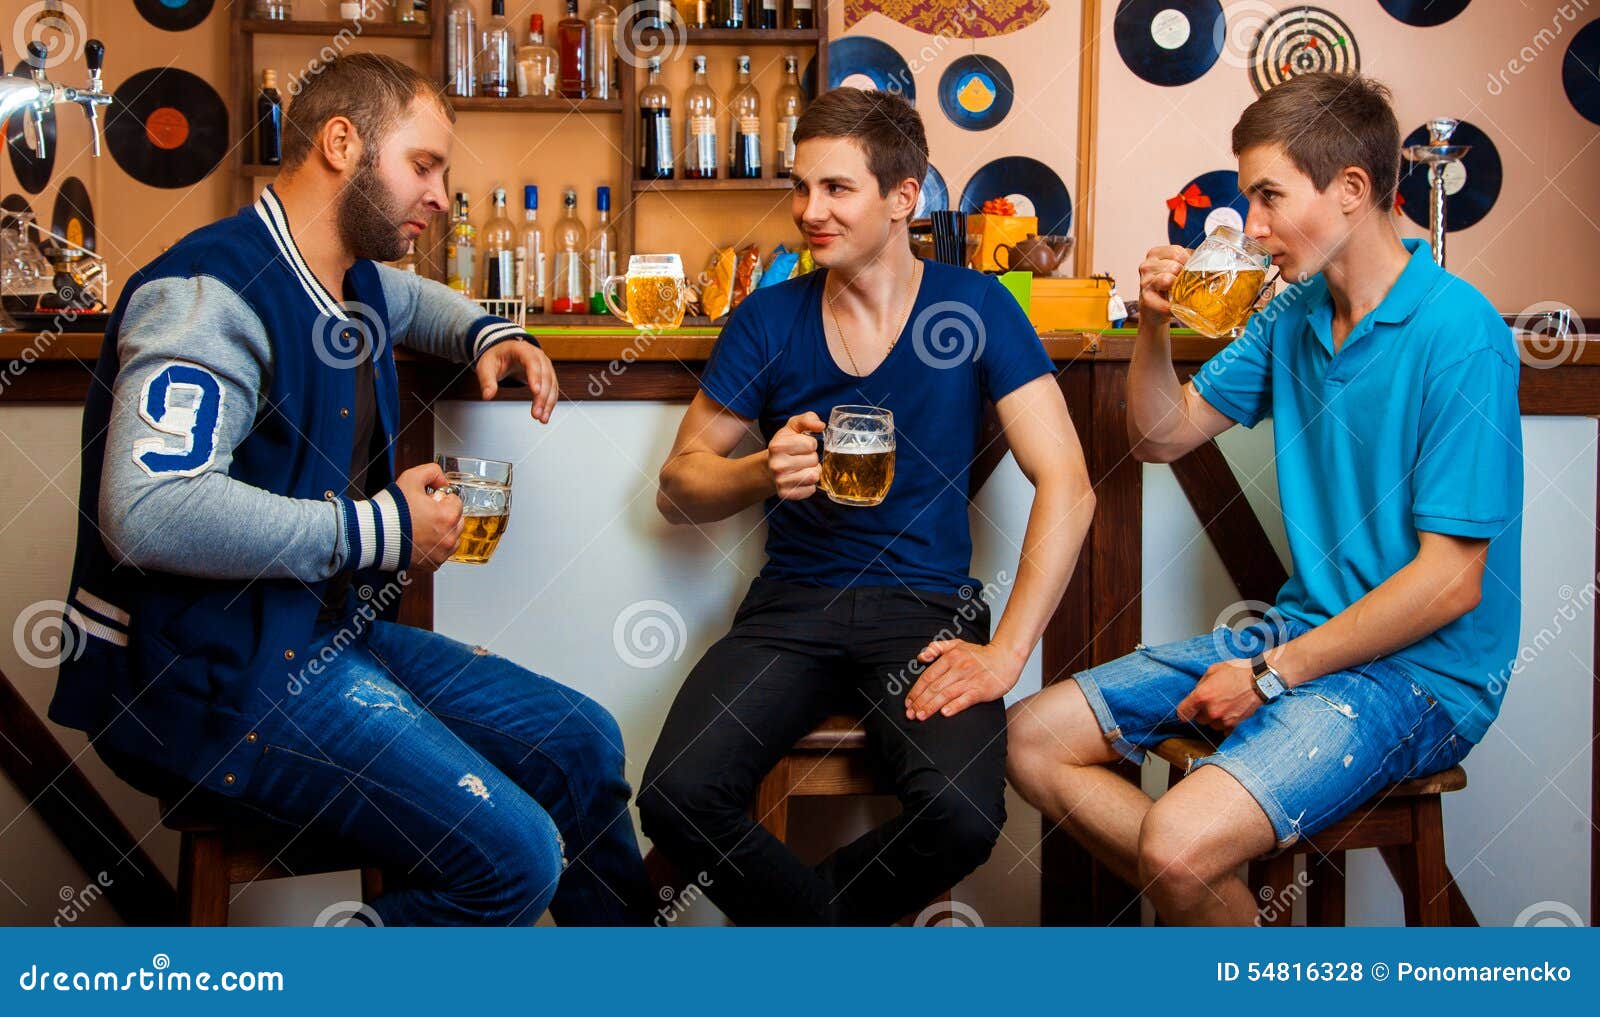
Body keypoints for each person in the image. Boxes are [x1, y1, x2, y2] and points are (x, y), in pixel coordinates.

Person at [48, 53, 650, 926]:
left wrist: (490, 332)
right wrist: (381, 530)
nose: (442, 194)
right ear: (342, 144)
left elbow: (409, 303)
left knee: (580, 742)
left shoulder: (348, 272)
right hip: (212, 678)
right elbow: (146, 512)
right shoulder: (206, 294)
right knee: (517, 861)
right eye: (424, 164)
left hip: (318, 635)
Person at [1007, 72, 1523, 925]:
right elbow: (1160, 434)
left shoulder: (1460, 333)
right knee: (1031, 739)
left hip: (1426, 673)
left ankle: (1205, 891)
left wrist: (1269, 675)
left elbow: (1451, 583)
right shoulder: (1292, 316)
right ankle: (1249, 941)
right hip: (1297, 635)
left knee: (1178, 845)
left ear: (1353, 189)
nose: (1250, 227)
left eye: (1268, 196)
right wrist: (1151, 325)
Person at [638, 87, 1097, 925]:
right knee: (675, 793)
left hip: (924, 610)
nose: (809, 212)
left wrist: (1005, 652)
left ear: (902, 197)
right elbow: (677, 487)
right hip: (793, 607)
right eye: (801, 186)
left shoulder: (976, 306)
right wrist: (758, 476)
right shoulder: (768, 318)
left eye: (836, 189)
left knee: (961, 816)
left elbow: (1069, 480)